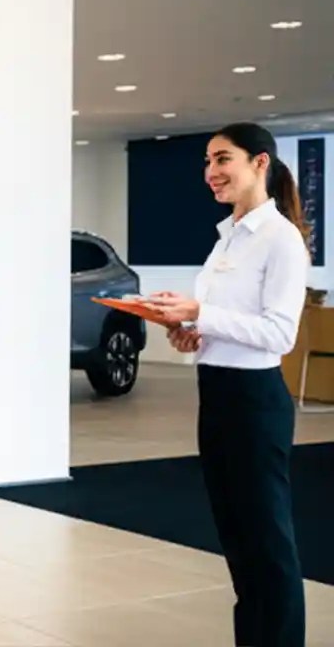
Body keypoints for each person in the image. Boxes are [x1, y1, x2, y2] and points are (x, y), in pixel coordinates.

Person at [148, 122, 308, 647]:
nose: (211, 173)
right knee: (238, 542)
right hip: (215, 395)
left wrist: (202, 313)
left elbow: (279, 335)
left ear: (260, 162)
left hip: (255, 404)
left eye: (223, 160)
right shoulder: (226, 239)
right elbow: (224, 324)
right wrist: (188, 332)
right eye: (207, 162)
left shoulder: (280, 239)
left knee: (268, 546)